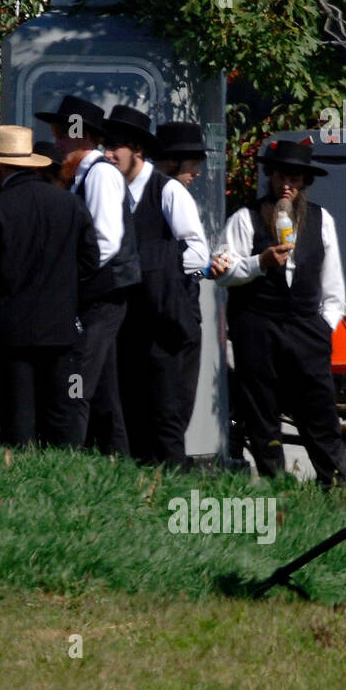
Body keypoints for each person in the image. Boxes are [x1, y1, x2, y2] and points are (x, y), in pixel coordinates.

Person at [214, 138, 346, 489]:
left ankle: (333, 483)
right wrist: (259, 263)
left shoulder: (322, 220)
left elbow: (333, 290)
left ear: (305, 181)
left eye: (295, 177)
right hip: (256, 327)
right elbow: (223, 273)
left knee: (319, 409)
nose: (287, 183)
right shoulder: (245, 218)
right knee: (262, 410)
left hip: (306, 328)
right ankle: (276, 484)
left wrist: (322, 327)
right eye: (280, 175)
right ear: (269, 175)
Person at [0, 125, 98, 446]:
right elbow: (91, 261)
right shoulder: (70, 205)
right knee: (62, 419)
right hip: (62, 333)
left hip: (9, 337)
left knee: (17, 424)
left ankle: (18, 490)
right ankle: (66, 484)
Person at [104, 110, 213, 464]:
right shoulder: (112, 193)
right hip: (131, 323)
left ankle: (175, 498)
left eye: (115, 146)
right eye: (105, 146)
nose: (107, 154)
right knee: (134, 416)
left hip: (169, 323)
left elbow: (198, 253)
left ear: (136, 149)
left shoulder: (169, 193)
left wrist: (146, 263)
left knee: (167, 419)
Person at [37, 94, 140, 455]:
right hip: (100, 294)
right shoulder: (84, 177)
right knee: (105, 389)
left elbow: (105, 241)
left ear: (83, 137)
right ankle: (117, 459)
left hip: (102, 296)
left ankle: (66, 460)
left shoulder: (99, 176)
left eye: (63, 135)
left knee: (77, 380)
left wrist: (71, 278)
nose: (57, 143)